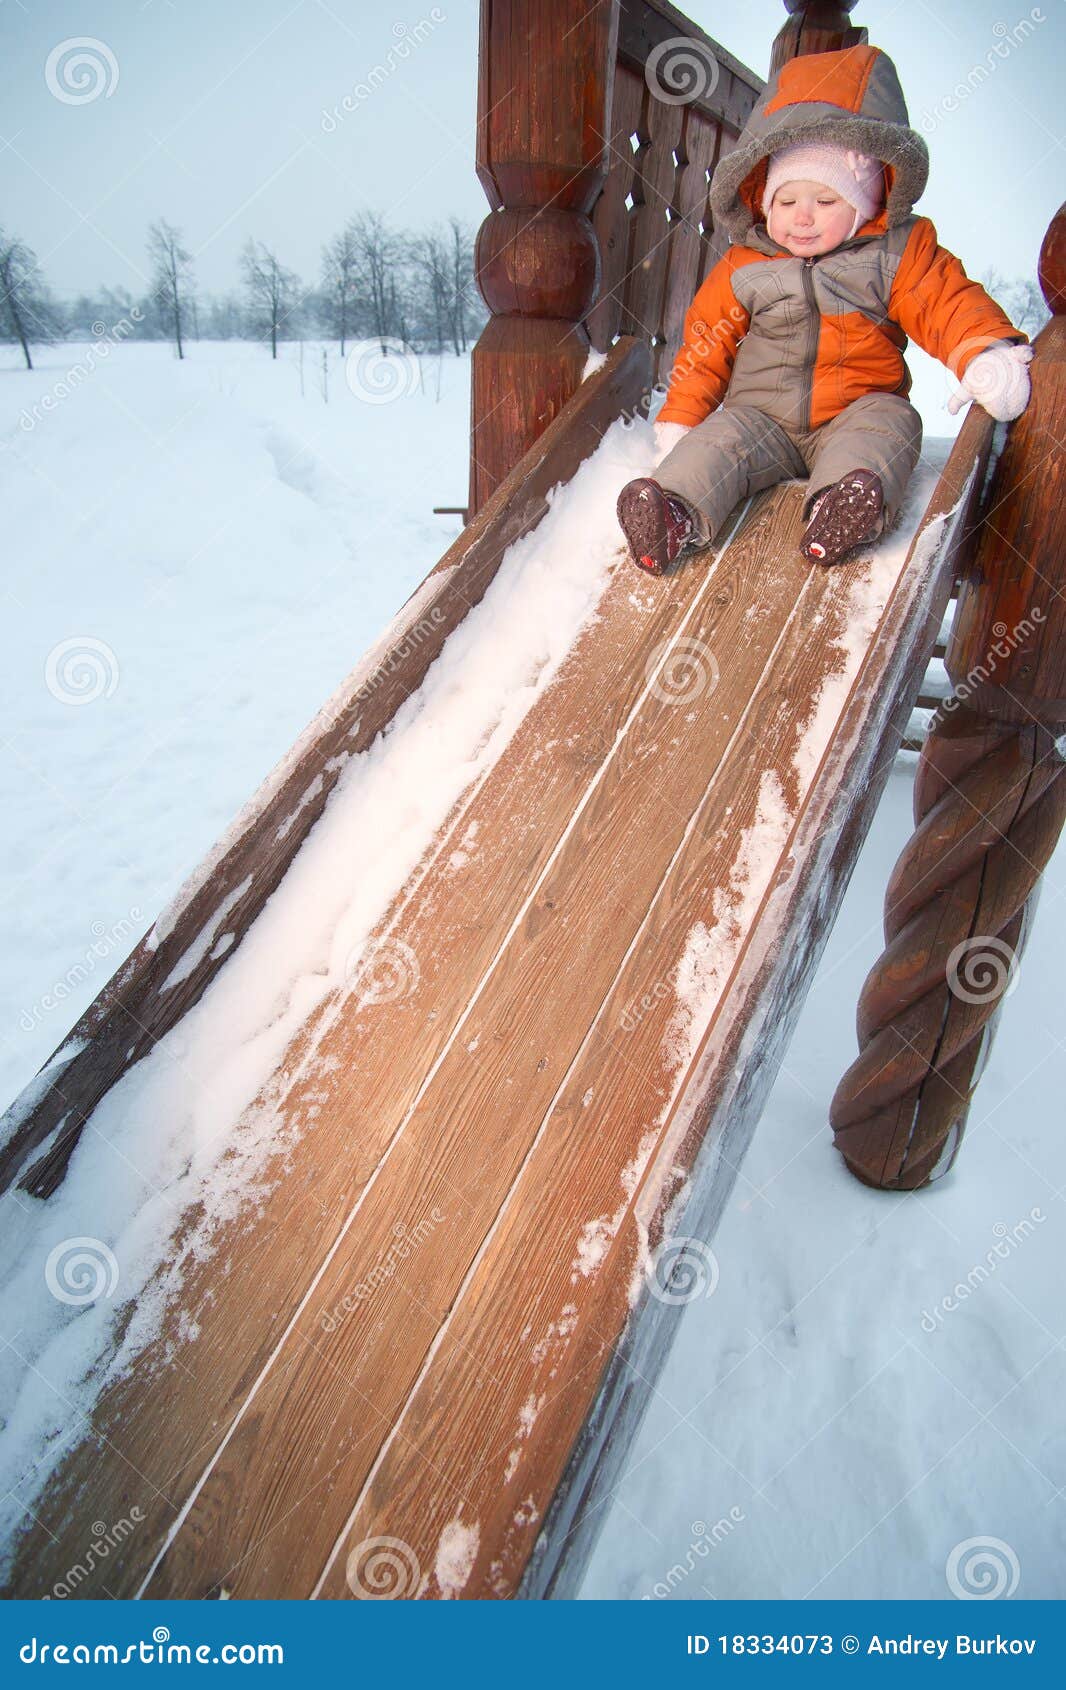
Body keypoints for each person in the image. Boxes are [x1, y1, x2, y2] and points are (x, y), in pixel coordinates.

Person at [616, 44, 1033, 574]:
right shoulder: (747, 265)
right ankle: (671, 512)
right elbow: (706, 343)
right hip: (761, 418)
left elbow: (946, 301)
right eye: (787, 203)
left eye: (827, 202)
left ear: (863, 203)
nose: (803, 219)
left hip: (855, 409)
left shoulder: (893, 253)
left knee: (892, 421)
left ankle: (845, 503)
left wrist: (982, 351)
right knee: (720, 439)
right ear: (766, 204)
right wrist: (682, 417)